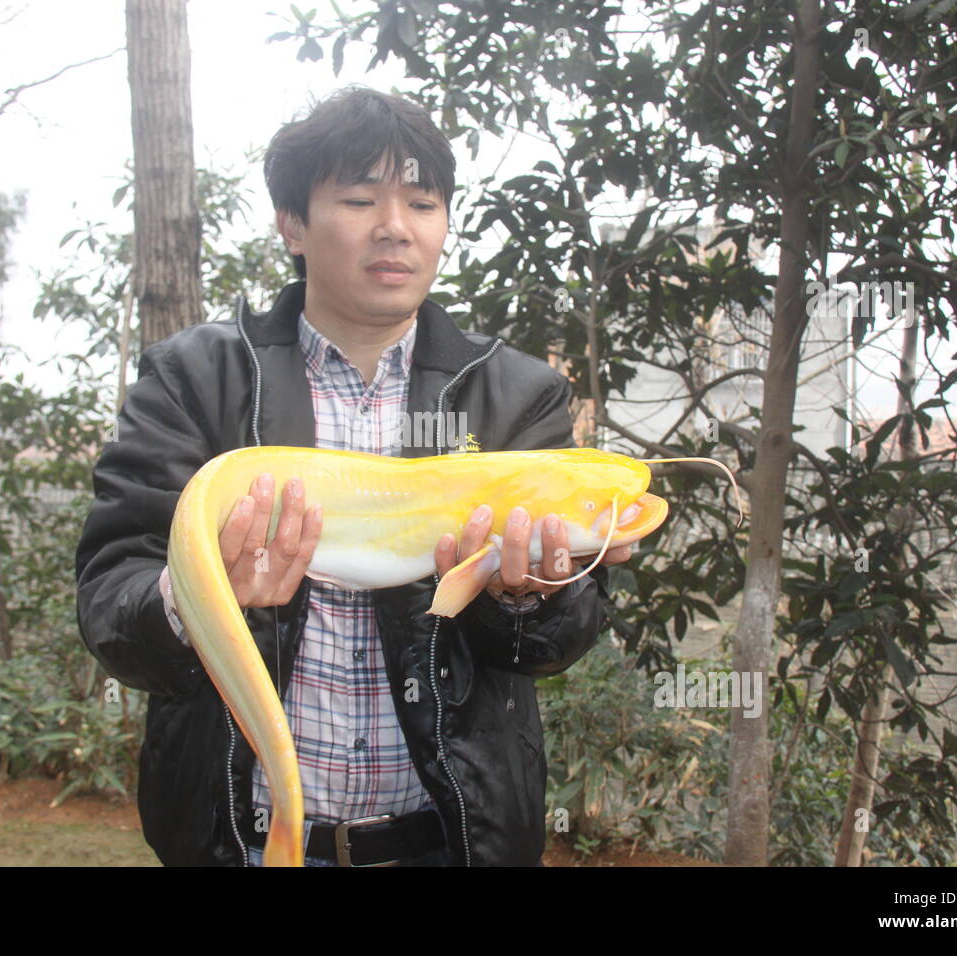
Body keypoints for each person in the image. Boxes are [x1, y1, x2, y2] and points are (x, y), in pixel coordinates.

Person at [75, 85, 632, 867]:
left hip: (451, 843)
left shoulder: (512, 396)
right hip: (244, 842)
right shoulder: (196, 381)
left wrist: (524, 596)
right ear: (293, 224)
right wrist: (198, 591)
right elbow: (110, 603)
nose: (396, 228)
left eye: (423, 203)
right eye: (361, 198)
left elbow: (551, 642)